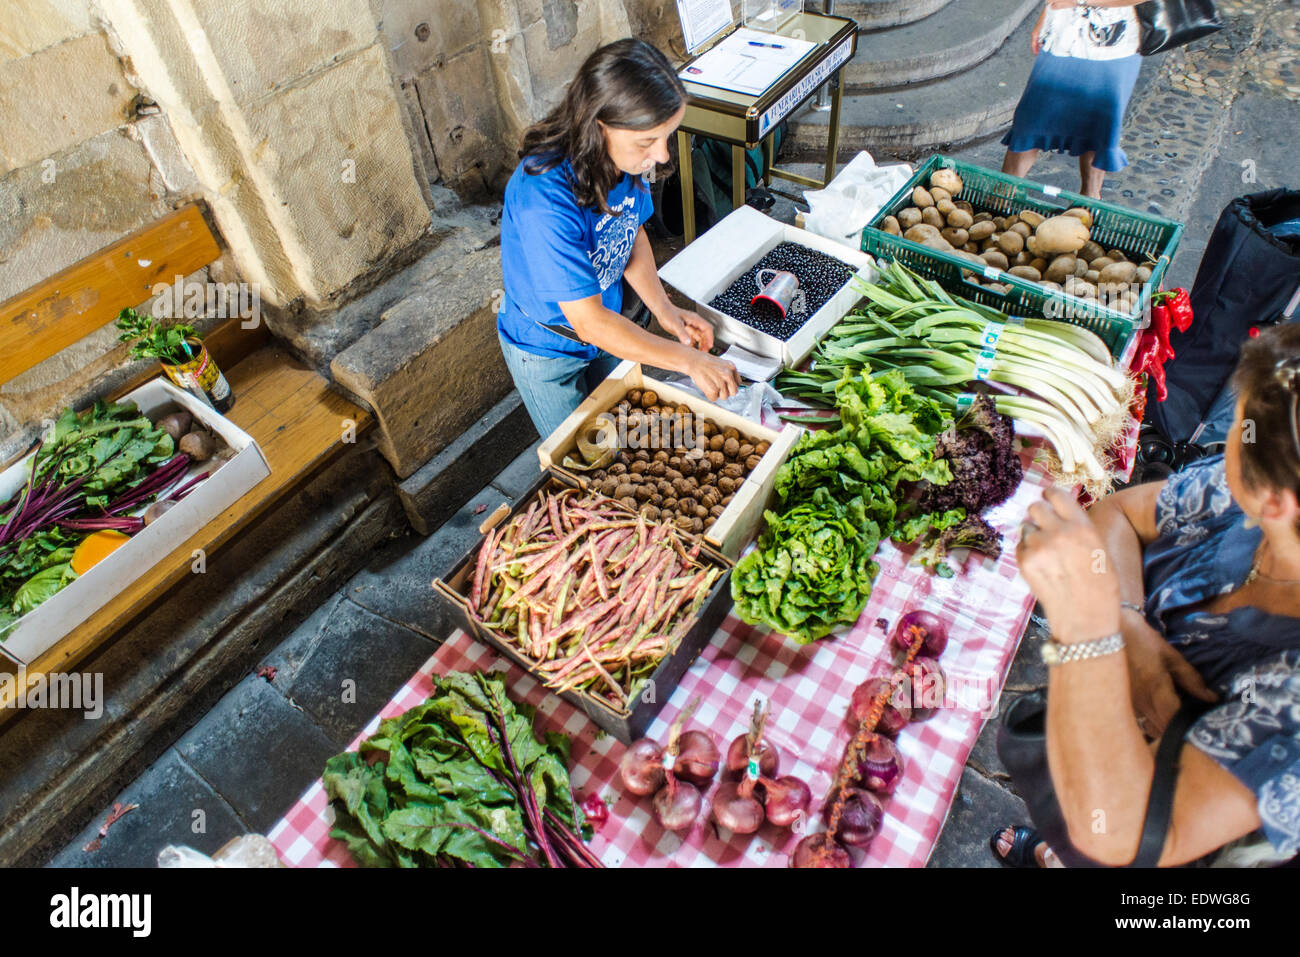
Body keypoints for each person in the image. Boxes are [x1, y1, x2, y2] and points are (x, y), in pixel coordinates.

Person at [994, 323, 1300, 867]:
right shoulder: (1240, 497)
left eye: (1238, 426)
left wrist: (1087, 627)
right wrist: (1129, 628)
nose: (1232, 439)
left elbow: (1123, 835)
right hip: (1099, 753)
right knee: (1068, 835)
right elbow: (1119, 515)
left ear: (1275, 502)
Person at [496, 38, 740, 437]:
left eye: (667, 137)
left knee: (621, 429)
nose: (662, 156)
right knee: (580, 453)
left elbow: (631, 232)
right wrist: (687, 360)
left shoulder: (620, 160)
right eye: (647, 142)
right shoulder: (542, 196)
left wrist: (664, 309)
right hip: (549, 347)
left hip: (610, 322)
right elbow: (589, 323)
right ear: (599, 125)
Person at [1002, 0, 1145, 198]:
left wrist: (1077, 1)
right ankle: (1002, 195)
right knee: (1031, 120)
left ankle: (1089, 202)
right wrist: (1047, 15)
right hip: (1063, 33)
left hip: (1114, 44)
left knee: (1097, 127)